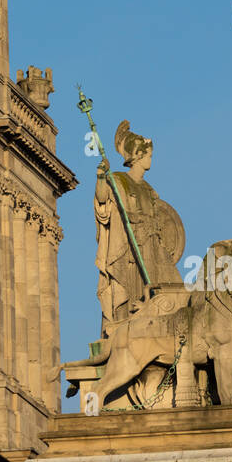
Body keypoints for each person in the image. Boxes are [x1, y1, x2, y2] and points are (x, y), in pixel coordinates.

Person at [94, 120, 186, 335]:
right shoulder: (117, 180)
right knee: (132, 293)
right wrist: (100, 176)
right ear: (137, 156)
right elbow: (102, 200)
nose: (150, 159)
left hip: (153, 249)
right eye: (148, 155)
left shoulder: (149, 189)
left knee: (172, 290)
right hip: (130, 251)